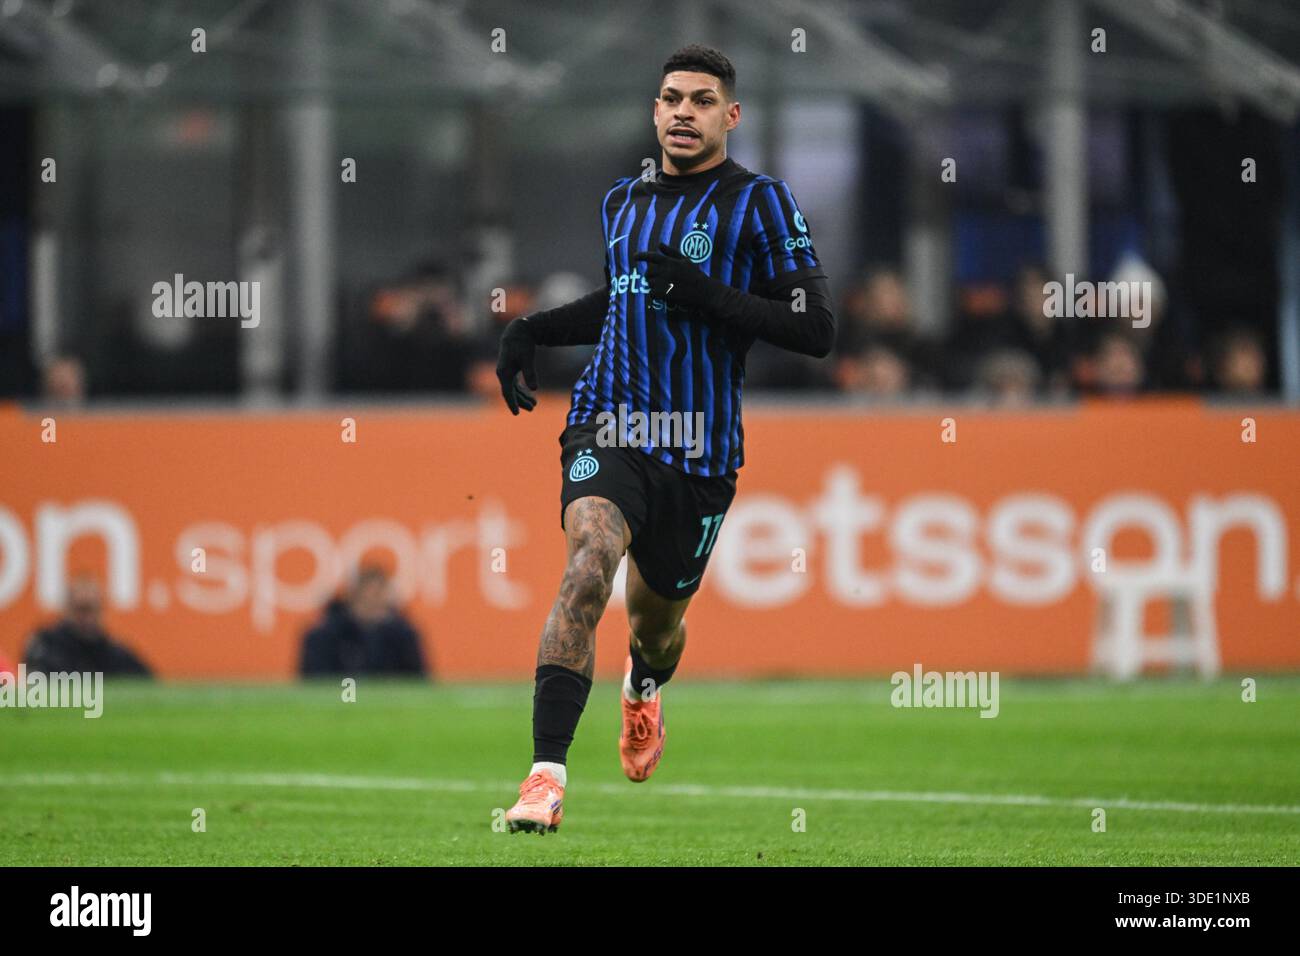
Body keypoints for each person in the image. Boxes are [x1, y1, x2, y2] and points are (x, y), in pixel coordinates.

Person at [494, 45, 834, 833]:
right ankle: (545, 780)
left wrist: (711, 294)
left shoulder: (763, 203)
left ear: (730, 116)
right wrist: (531, 330)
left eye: (702, 100)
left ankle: (643, 689)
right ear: (655, 112)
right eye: (672, 98)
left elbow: (815, 328)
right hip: (609, 423)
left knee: (657, 625)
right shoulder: (624, 201)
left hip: (699, 449)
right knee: (588, 565)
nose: (684, 111)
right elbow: (623, 303)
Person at [298, 566, 428, 678]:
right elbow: (313, 680)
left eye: (378, 597)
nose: (373, 604)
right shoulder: (324, 635)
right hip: (342, 698)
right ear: (353, 599)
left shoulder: (403, 636)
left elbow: (417, 680)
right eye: (368, 598)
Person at [23, 575, 151, 676]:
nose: (88, 618)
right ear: (67, 609)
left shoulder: (114, 652)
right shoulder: (46, 646)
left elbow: (148, 685)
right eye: (82, 610)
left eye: (93, 610)